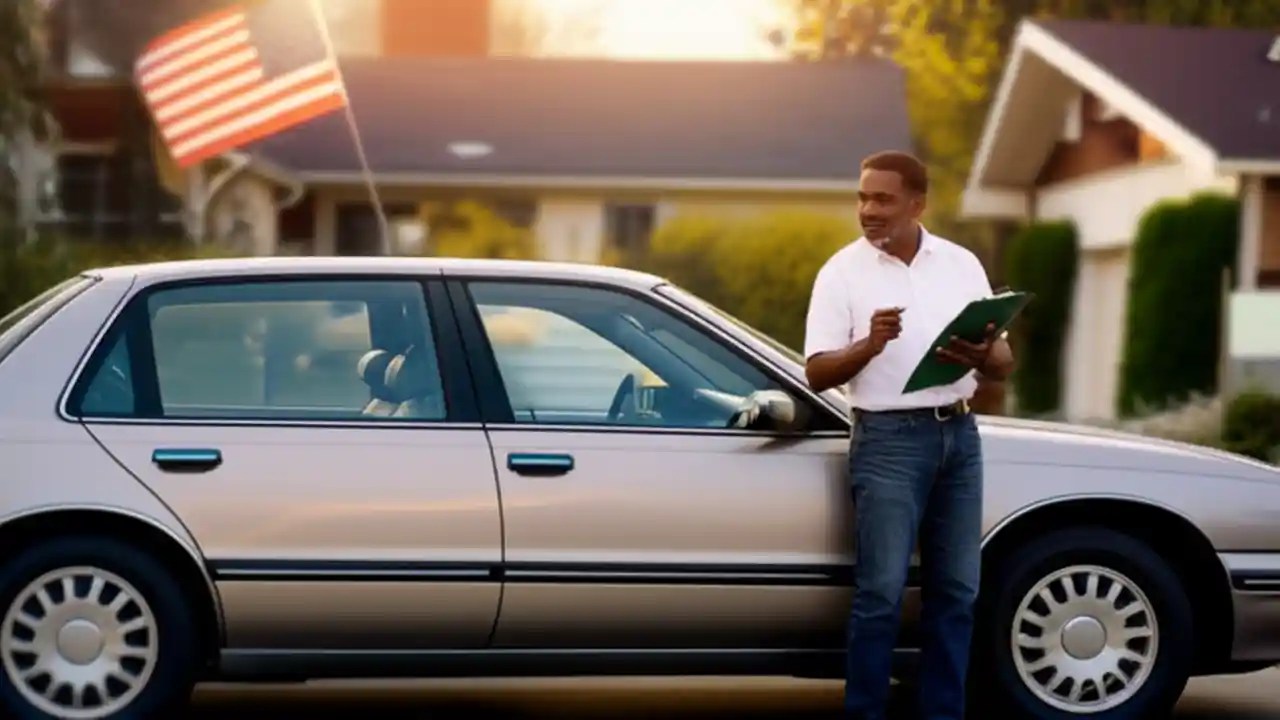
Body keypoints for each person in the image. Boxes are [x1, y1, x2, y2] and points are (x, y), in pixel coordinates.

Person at [803, 151, 1014, 720]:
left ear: (917, 204)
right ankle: (866, 711)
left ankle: (944, 712)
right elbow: (817, 372)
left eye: (883, 199)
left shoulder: (961, 264)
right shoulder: (841, 273)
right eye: (862, 198)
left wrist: (983, 351)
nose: (868, 210)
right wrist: (867, 346)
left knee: (957, 593)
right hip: (888, 440)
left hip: (959, 436)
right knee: (881, 595)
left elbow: (1002, 361)